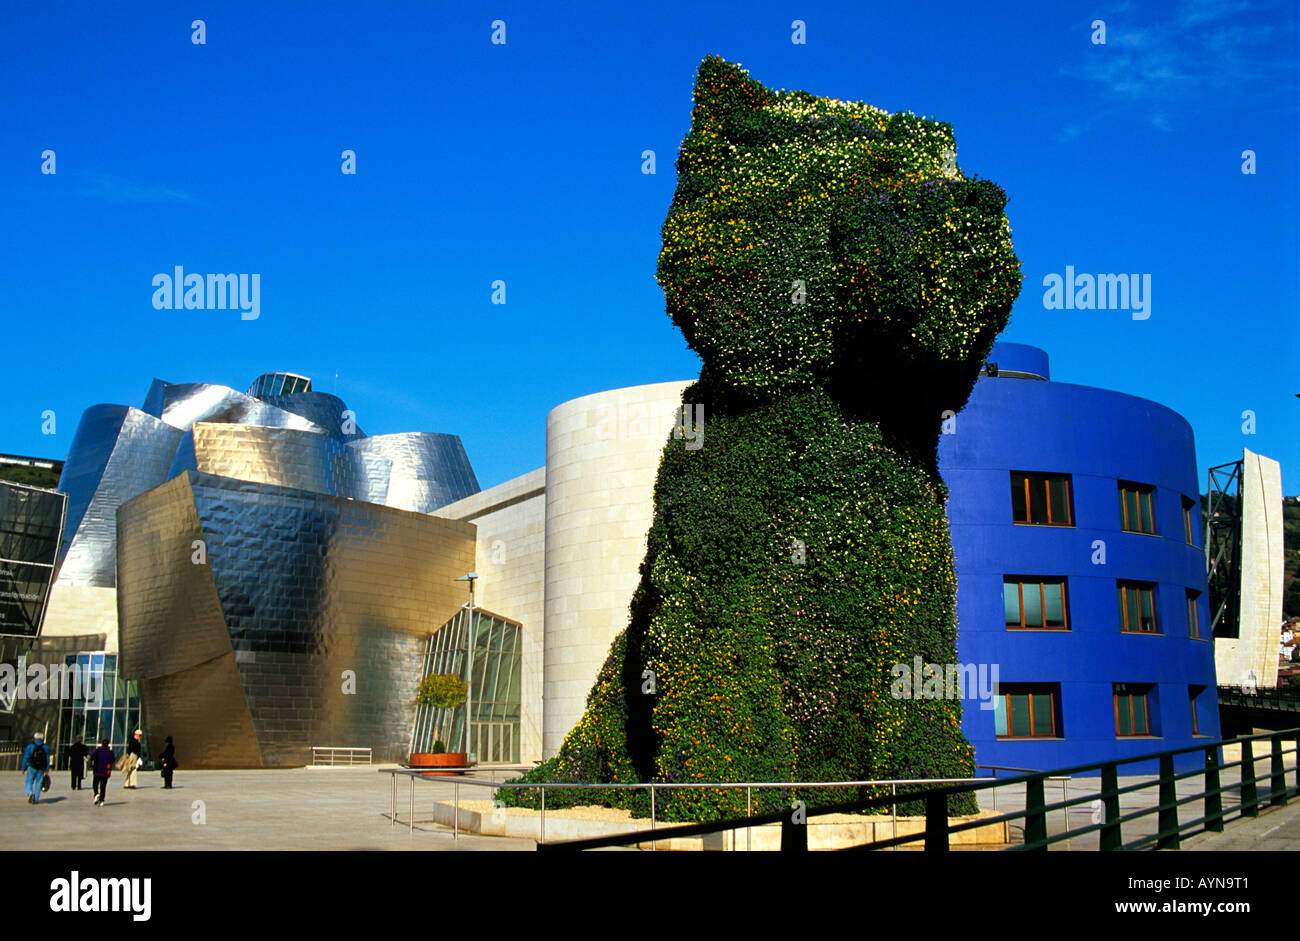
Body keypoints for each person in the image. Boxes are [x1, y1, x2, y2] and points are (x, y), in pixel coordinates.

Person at [20, 732, 50, 805]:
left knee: (29, 781)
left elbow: (26, 757)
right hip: (41, 768)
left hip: (32, 766)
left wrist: (23, 768)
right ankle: (36, 799)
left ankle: (29, 792)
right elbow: (47, 759)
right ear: (42, 739)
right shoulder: (45, 747)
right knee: (38, 783)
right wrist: (47, 770)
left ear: (34, 738)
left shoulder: (30, 746)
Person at [90, 738, 114, 807]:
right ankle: (102, 800)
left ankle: (96, 793)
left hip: (97, 771)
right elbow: (113, 760)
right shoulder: (110, 752)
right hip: (105, 772)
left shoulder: (98, 751)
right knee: (103, 787)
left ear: (101, 744)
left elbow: (92, 757)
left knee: (95, 784)